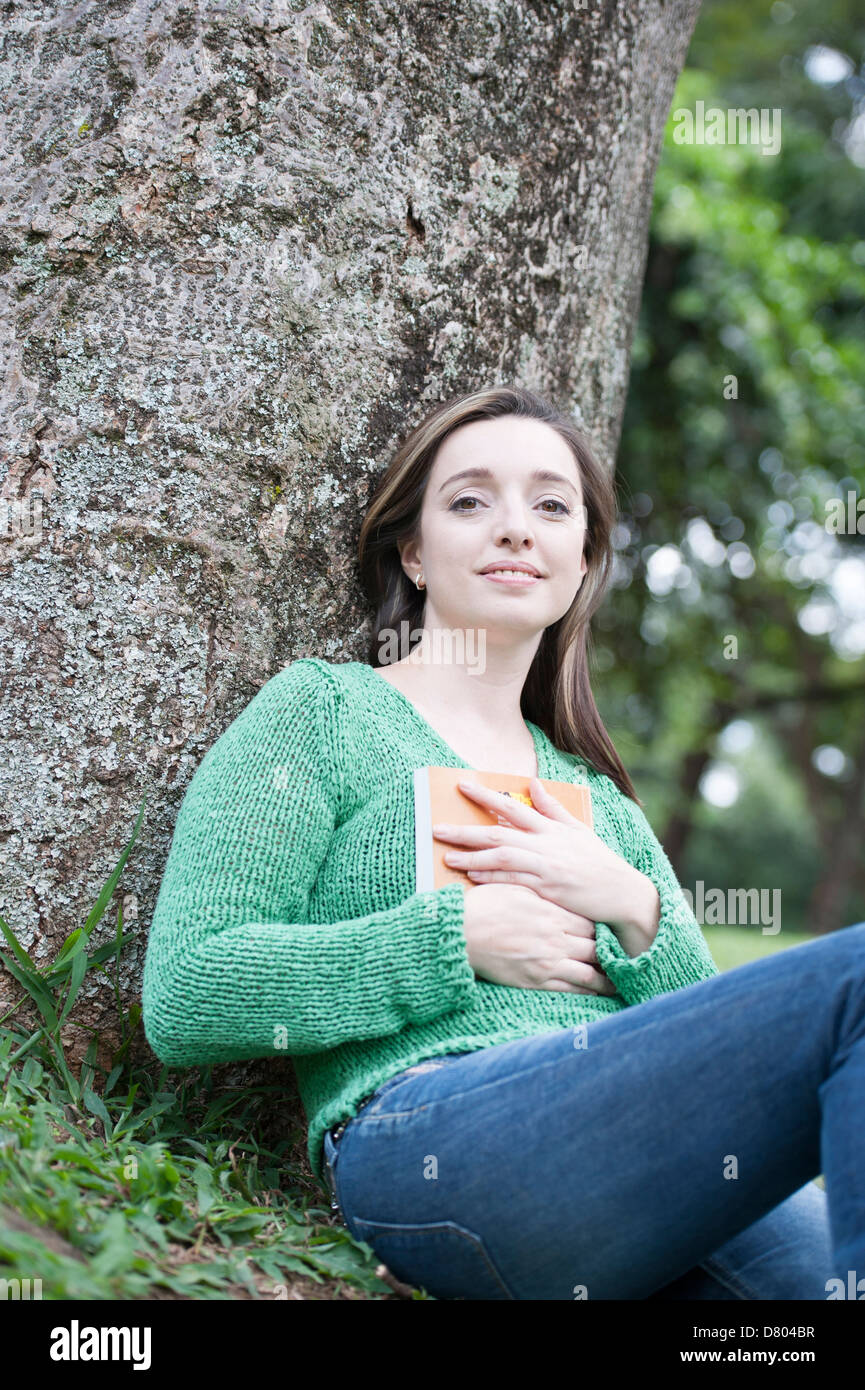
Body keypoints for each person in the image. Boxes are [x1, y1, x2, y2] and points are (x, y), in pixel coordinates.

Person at [142, 383, 865, 1300]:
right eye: (470, 500)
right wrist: (451, 940)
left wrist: (635, 909)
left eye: (551, 506)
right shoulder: (324, 715)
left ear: (580, 562)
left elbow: (707, 1059)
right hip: (435, 1140)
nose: (516, 528)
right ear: (412, 551)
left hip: (640, 1178)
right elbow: (187, 991)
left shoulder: (597, 796)